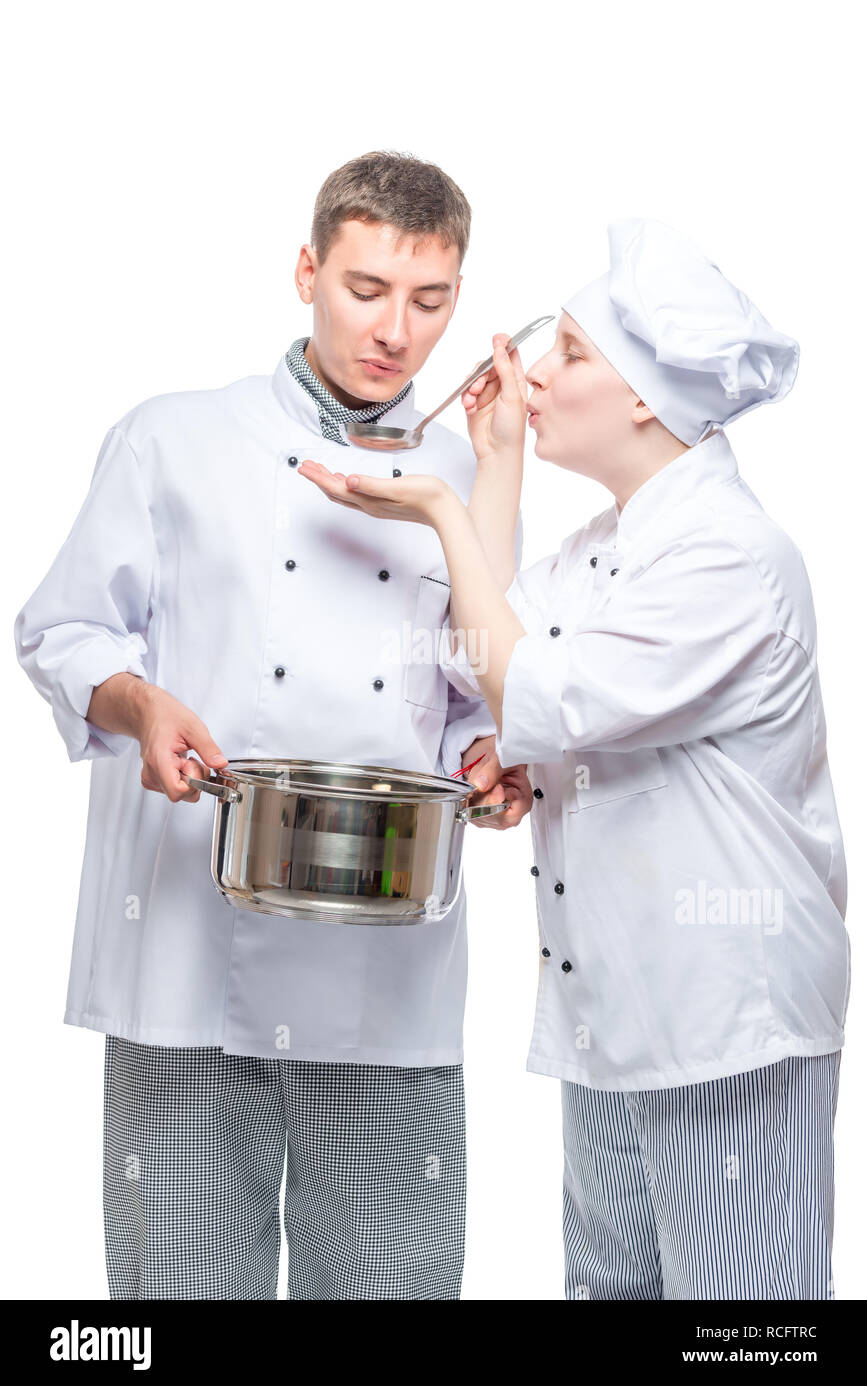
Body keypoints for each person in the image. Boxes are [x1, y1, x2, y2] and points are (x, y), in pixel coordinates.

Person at [298, 218, 850, 1301]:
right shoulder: (607, 546)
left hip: (723, 1013)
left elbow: (531, 690)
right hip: (610, 1008)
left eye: (573, 356)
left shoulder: (730, 554)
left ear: (646, 398)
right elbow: (479, 653)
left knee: (748, 1317)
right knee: (612, 1290)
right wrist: (497, 462)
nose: (535, 372)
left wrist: (446, 505)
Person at [13, 150, 532, 1301]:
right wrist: (137, 701)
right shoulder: (174, 438)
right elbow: (63, 633)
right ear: (307, 270)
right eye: (365, 290)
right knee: (178, 1295)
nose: (396, 330)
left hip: (383, 972)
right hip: (189, 961)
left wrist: (493, 764)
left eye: (430, 302)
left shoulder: (465, 473)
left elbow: (475, 695)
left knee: (393, 1288)